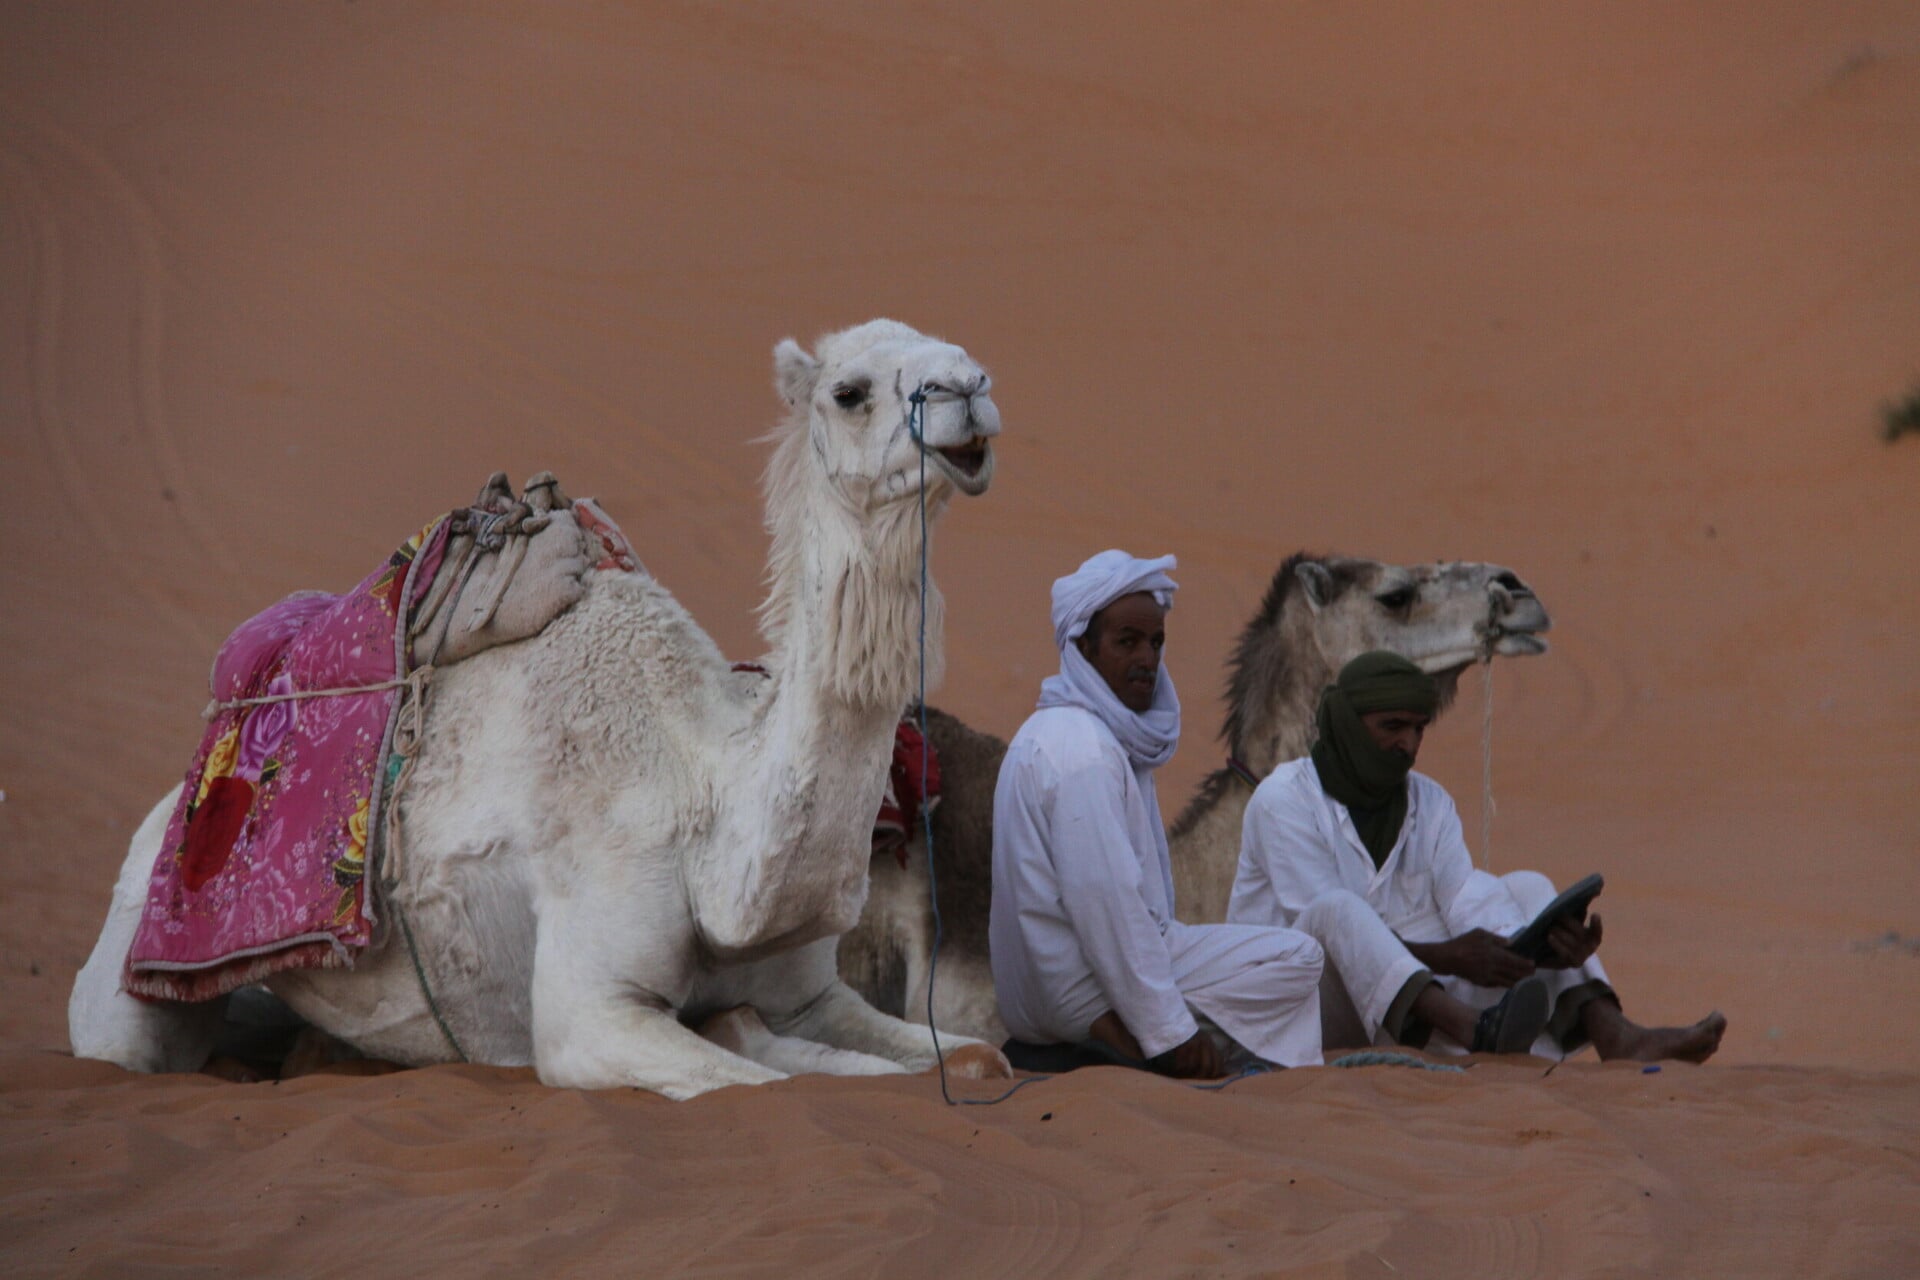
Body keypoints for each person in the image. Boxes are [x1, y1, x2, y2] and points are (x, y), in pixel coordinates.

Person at [1229, 650, 1727, 1061]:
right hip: (1301, 1010)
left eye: (1419, 729)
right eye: (1392, 726)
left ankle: (1613, 1032)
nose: (1408, 744)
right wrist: (1453, 958)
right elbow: (1326, 940)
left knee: (1528, 886)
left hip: (1408, 1012)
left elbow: (1464, 899)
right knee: (1337, 910)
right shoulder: (1285, 801)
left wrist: (1533, 949)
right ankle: (1477, 1032)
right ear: (1346, 725)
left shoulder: (1429, 802)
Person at [988, 550, 1326, 1077]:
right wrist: (1170, 1034)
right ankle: (1228, 1071)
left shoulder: (1050, 734)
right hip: (1085, 997)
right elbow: (1107, 905)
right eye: (1127, 642)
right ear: (1083, 648)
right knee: (1298, 956)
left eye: (1156, 642)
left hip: (1039, 999)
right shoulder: (1085, 751)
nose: (1147, 658)